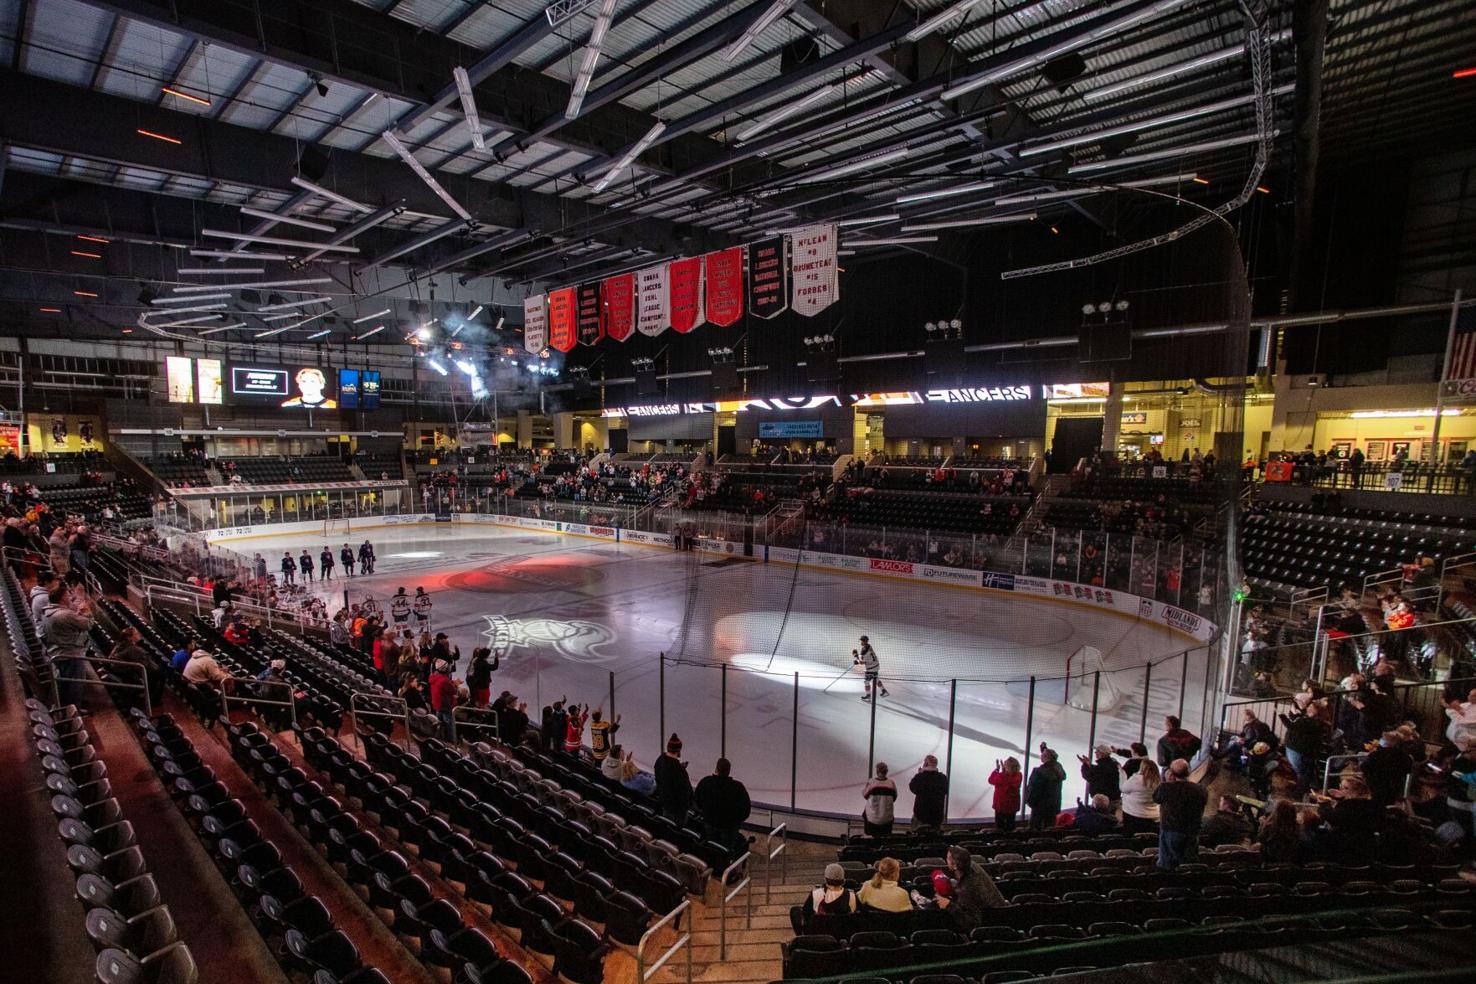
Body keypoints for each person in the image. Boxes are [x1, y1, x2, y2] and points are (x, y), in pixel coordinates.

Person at [42, 582, 94, 709]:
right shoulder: (65, 615)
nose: (70, 597)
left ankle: (69, 707)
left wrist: (77, 613)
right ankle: (74, 709)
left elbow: (70, 622)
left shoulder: (48, 611)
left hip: (59, 651)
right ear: (62, 598)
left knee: (68, 682)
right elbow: (88, 624)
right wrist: (87, 612)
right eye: (67, 595)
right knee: (76, 684)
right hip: (71, 654)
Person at [931, 846, 1005, 931]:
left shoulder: (966, 890)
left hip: (990, 923)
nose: (946, 861)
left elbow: (972, 924)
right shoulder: (971, 865)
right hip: (999, 912)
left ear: (955, 866)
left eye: (948, 859)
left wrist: (948, 904)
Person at [1152, 758, 1207, 870]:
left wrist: (1166, 781)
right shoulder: (1201, 789)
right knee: (1188, 863)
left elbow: (1156, 798)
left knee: (1168, 863)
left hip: (1171, 830)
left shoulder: (1166, 787)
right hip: (1192, 831)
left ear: (1171, 773)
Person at [693, 757, 752, 858]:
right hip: (729, 827)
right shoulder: (738, 788)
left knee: (712, 845)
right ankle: (727, 867)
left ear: (716, 769)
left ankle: (713, 864)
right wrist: (736, 822)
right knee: (727, 850)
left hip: (709, 823)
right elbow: (746, 810)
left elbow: (697, 802)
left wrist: (704, 814)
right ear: (729, 771)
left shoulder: (705, 782)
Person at [1280, 702, 1332, 795]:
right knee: (1302, 772)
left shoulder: (1314, 722)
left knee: (1301, 772)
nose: (1309, 708)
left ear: (1318, 711)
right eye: (1309, 706)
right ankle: (1300, 790)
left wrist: (1281, 715)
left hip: (1299, 750)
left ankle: (1300, 793)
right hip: (1298, 749)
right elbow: (1297, 722)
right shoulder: (1309, 720)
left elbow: (1292, 726)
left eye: (1312, 707)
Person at [110, 625, 161, 711]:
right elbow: (143, 665)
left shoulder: (120, 645)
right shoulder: (132, 649)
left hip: (126, 671)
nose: (139, 635)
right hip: (128, 673)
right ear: (130, 638)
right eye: (136, 634)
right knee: (158, 674)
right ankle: (153, 700)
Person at [1362, 730, 1414, 806]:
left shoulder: (1377, 754)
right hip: (1395, 786)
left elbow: (1365, 767)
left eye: (1383, 739)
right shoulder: (1405, 757)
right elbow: (1407, 770)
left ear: (1389, 742)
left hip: (1377, 784)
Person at [1025, 746, 1066, 831]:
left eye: (1042, 755)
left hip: (1040, 806)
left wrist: (1030, 801)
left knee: (1036, 828)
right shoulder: (1058, 768)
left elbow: (1035, 789)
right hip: (1053, 805)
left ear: (1046, 757)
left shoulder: (1040, 772)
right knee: (1049, 827)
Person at [654, 734, 693, 824]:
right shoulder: (679, 770)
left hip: (664, 801)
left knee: (667, 826)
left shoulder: (660, 760)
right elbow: (686, 791)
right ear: (678, 750)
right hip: (677, 808)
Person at [1257, 799, 1308, 864]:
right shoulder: (1298, 829)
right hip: (1290, 865)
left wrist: (1262, 825)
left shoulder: (1270, 827)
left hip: (1270, 863)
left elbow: (1261, 839)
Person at [1120, 758, 1162, 833]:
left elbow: (1123, 788)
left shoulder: (1136, 779)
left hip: (1134, 814)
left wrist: (1122, 774)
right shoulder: (1158, 781)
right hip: (1153, 815)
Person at [909, 755, 949, 831]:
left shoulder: (920, 777)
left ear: (926, 764)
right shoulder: (942, 778)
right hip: (937, 816)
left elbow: (912, 788)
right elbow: (945, 791)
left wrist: (919, 774)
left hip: (921, 815)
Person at [862, 762, 898, 836]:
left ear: (877, 771)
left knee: (865, 813)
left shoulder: (872, 782)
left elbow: (865, 795)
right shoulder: (891, 783)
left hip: (872, 819)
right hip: (887, 819)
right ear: (886, 771)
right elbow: (894, 797)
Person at [988, 757, 1022, 831]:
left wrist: (997, 770)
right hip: (1013, 805)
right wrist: (1004, 771)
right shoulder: (1019, 775)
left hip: (1001, 805)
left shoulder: (1002, 777)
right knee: (1011, 823)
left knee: (1000, 825)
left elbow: (991, 780)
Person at [428, 658, 457, 739]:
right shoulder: (444, 680)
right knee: (449, 724)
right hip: (445, 705)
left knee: (439, 722)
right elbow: (453, 690)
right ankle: (452, 741)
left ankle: (440, 738)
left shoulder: (433, 677)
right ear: (445, 669)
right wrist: (455, 684)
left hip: (437, 704)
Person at [855, 635, 887, 701]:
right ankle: (884, 691)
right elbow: (864, 658)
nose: (860, 642)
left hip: (871, 668)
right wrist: (858, 657)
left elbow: (861, 662)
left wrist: (856, 658)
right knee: (876, 679)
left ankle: (868, 696)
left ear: (864, 641)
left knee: (866, 682)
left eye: (861, 640)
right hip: (876, 665)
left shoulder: (864, 650)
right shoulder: (869, 646)